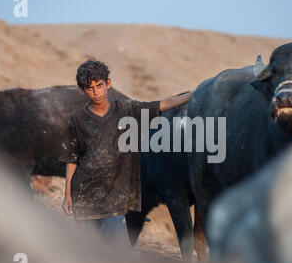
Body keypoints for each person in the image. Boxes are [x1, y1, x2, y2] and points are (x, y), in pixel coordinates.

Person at [59, 60, 192, 244]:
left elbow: (161, 105)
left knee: (117, 254)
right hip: (85, 198)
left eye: (99, 85)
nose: (96, 92)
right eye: (89, 88)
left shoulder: (125, 110)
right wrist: (68, 195)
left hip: (116, 200)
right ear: (81, 90)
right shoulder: (77, 120)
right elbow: (72, 158)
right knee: (88, 255)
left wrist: (193, 95)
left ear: (108, 83)